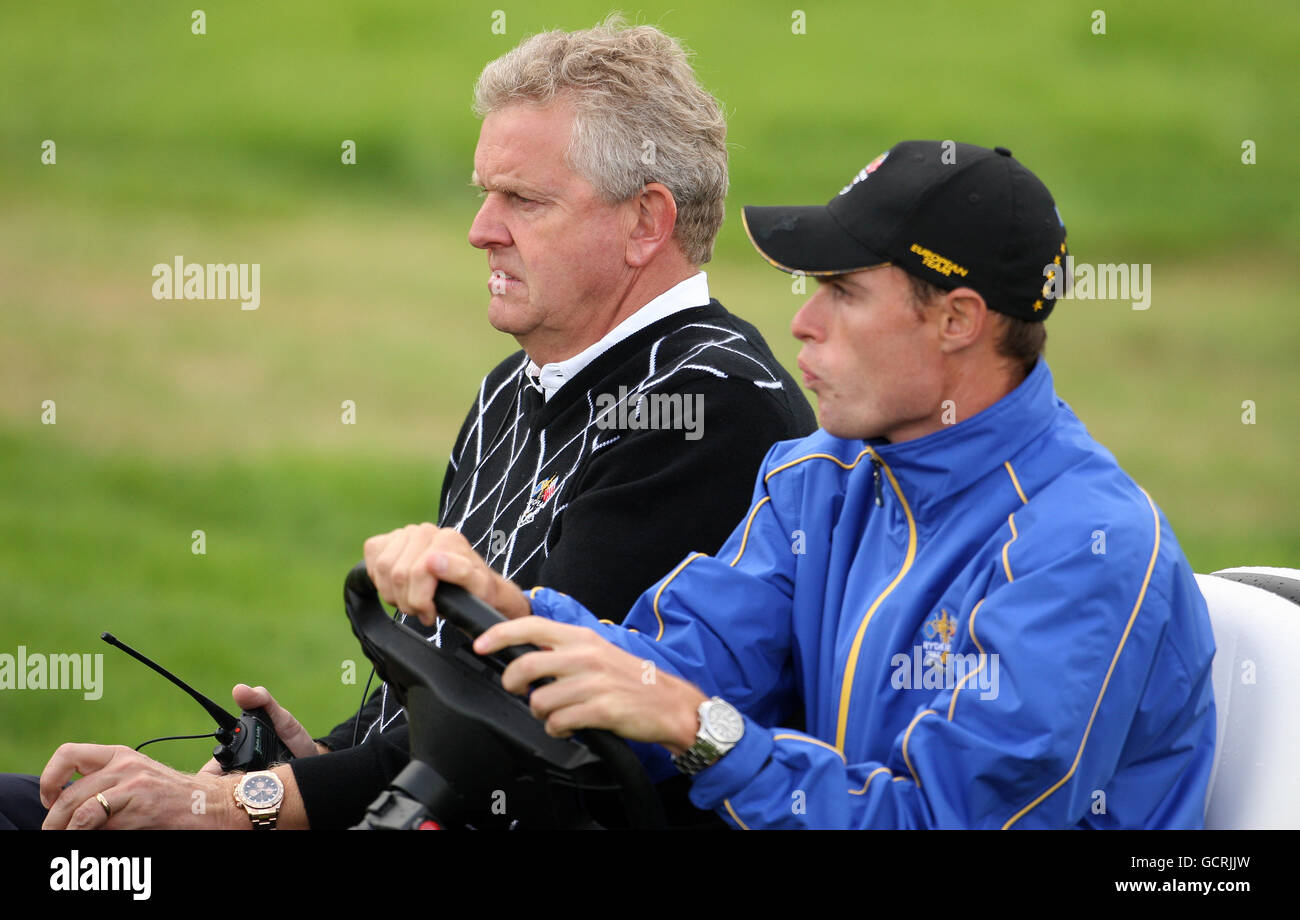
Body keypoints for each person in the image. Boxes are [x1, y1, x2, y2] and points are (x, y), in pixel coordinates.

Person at [20, 19, 815, 830]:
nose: (482, 230)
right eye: (483, 194)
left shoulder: (706, 408)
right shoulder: (517, 385)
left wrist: (233, 804)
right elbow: (445, 703)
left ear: (647, 222)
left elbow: (529, 738)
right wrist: (318, 759)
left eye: (524, 200)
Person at [365, 140, 1218, 829]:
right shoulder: (819, 475)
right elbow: (681, 665)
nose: (802, 324)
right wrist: (512, 609)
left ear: (958, 320)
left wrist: (701, 729)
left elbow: (941, 820)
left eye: (843, 292)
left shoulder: (1084, 547)